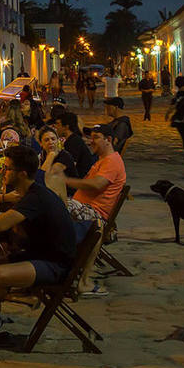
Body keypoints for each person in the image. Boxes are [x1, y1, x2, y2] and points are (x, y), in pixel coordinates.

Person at [0, 146, 77, 324]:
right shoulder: (27, 194)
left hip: (54, 264)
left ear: (22, 174)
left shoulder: (36, 197)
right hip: (34, 254)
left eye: (8, 168)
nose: (2, 172)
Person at [64, 123, 126, 295]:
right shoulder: (102, 161)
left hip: (93, 214)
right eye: (91, 138)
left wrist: (66, 181)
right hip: (83, 209)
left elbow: (97, 185)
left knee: (52, 204)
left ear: (109, 140)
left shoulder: (112, 161)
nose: (92, 142)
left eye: (96, 137)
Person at [60, 112, 94, 179]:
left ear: (66, 127)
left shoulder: (74, 141)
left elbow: (70, 165)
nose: (56, 127)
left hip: (81, 180)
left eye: (58, 124)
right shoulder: (72, 139)